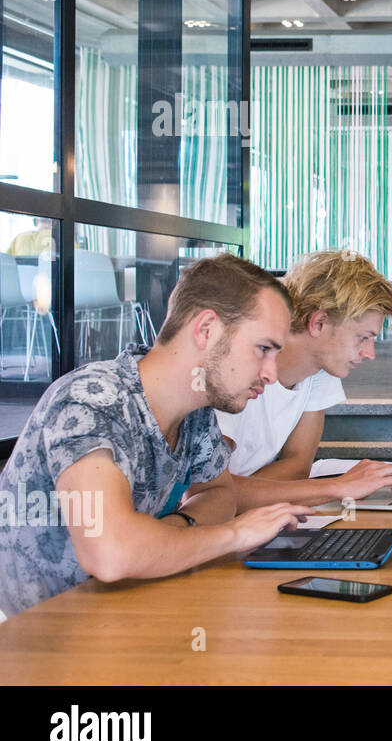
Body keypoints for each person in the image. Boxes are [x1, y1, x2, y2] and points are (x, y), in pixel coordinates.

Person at [0, 253, 312, 618]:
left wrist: (175, 529)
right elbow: (111, 554)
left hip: (115, 614)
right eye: (263, 349)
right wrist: (238, 533)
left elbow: (220, 493)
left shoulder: (196, 411)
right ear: (207, 329)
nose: (272, 374)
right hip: (31, 641)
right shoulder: (91, 400)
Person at [218, 249, 392, 512]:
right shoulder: (236, 369)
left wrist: (246, 492)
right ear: (318, 323)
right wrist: (339, 487)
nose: (369, 353)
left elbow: (298, 465)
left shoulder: (321, 368)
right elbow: (209, 494)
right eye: (363, 337)